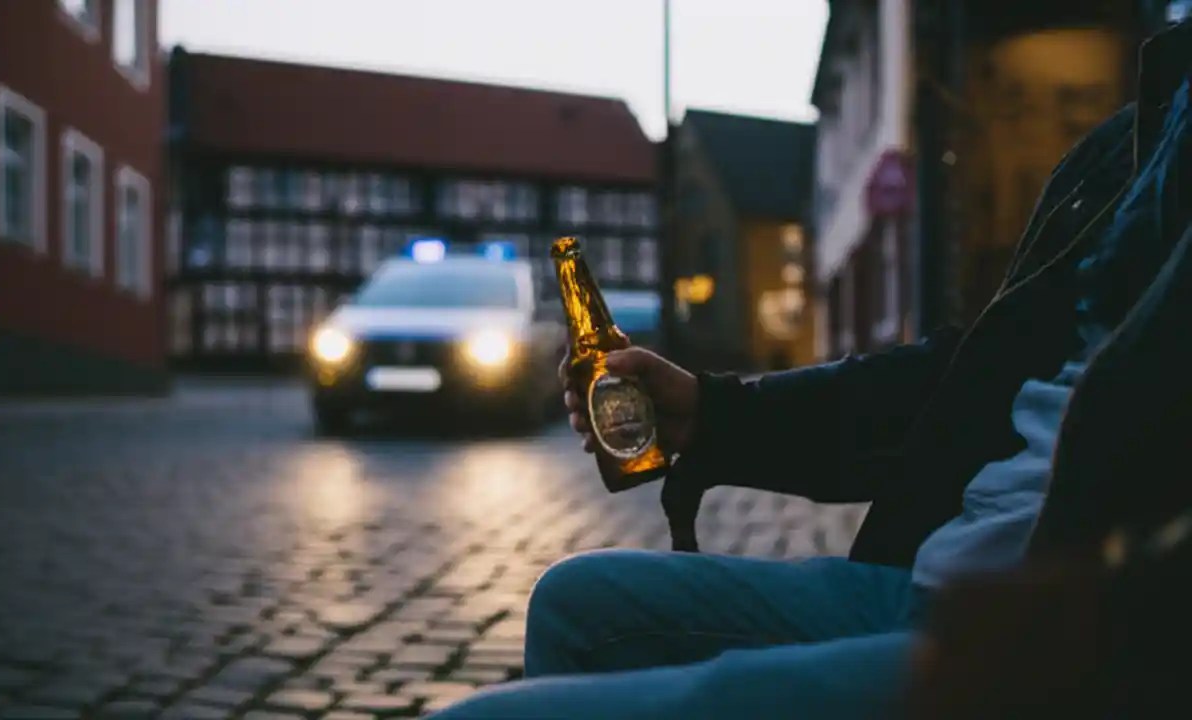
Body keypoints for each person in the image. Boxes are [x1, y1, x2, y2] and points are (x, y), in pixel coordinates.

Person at [430, 20, 1190, 720]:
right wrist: (716, 411)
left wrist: (1098, 626)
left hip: (1066, 628)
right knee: (577, 601)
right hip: (930, 578)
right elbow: (963, 381)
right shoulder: (1134, 139)